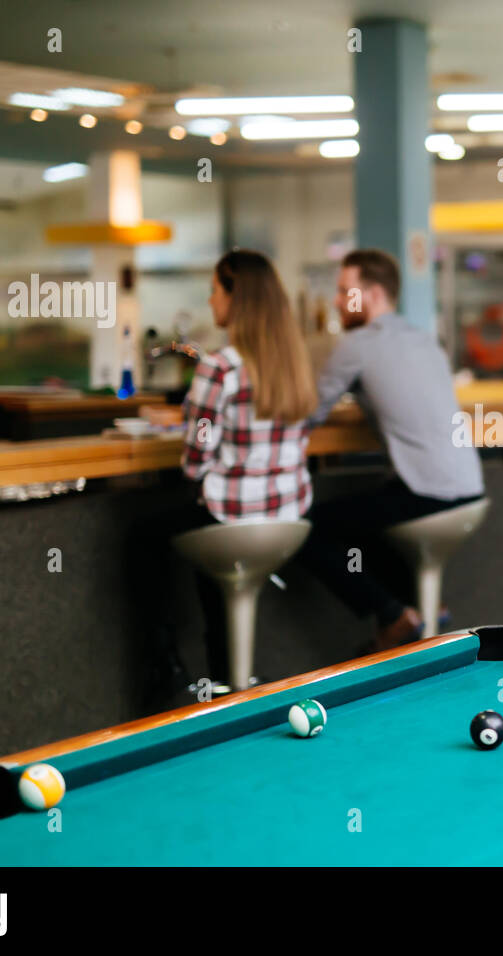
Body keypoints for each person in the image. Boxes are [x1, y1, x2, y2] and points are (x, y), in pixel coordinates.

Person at [133, 248, 317, 699]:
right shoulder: (293, 363)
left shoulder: (218, 367)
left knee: (144, 538)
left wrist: (190, 429)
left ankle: (169, 674)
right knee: (210, 534)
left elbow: (195, 460)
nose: (210, 300)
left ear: (238, 299)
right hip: (288, 520)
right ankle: (229, 679)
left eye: (215, 290)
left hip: (233, 521)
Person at [298, 248, 484, 651]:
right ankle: (426, 606)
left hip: (428, 494)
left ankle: (394, 616)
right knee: (373, 516)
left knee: (306, 526)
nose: (336, 301)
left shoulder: (357, 344)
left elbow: (307, 414)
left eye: (345, 291)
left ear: (374, 293)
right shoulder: (423, 340)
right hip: (469, 488)